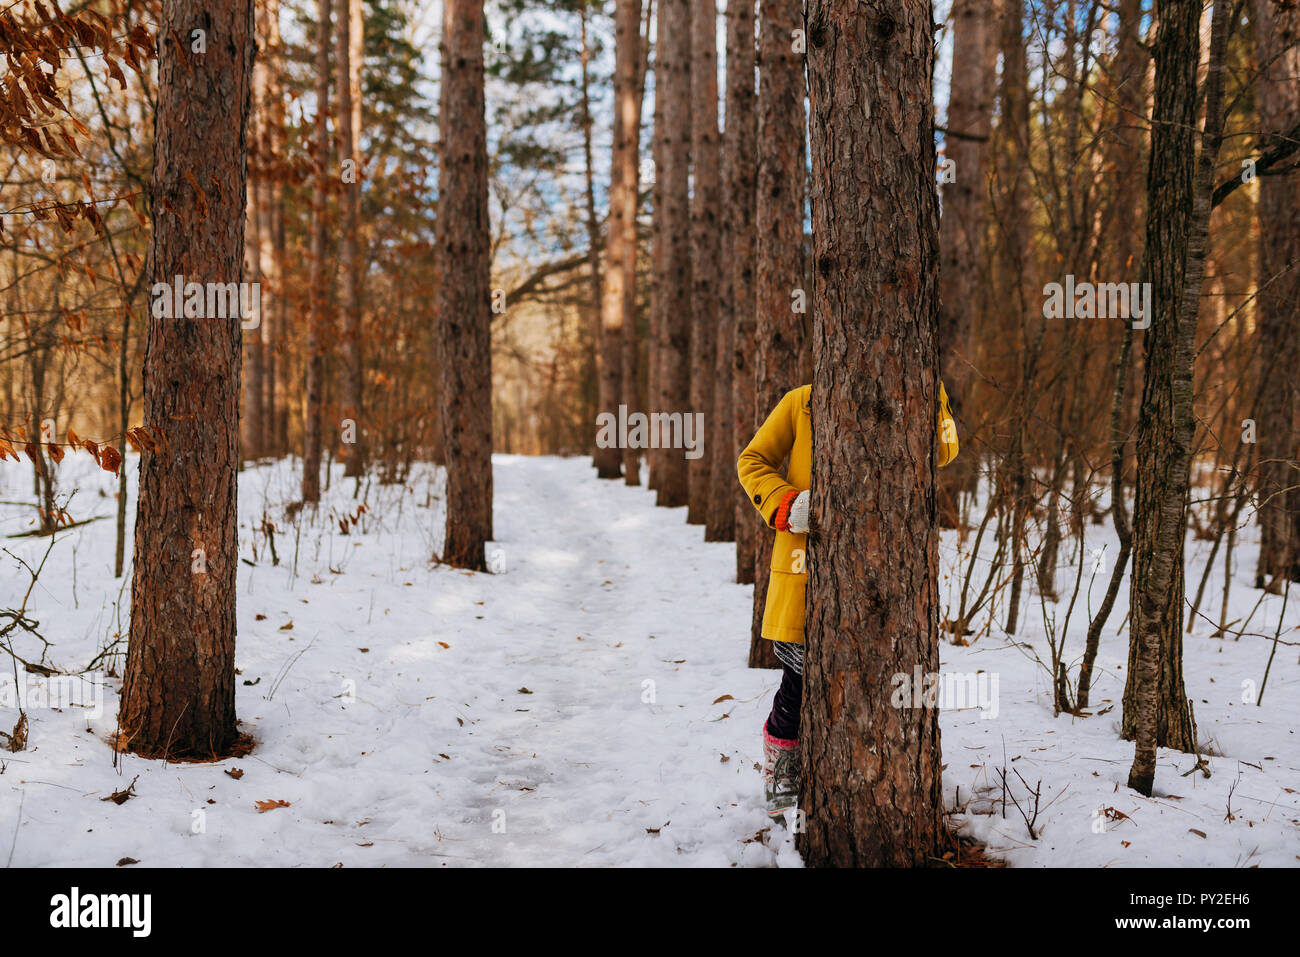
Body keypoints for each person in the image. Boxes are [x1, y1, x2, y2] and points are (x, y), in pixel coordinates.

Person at [736, 381, 960, 816]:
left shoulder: (921, 384)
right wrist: (785, 503)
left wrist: (928, 394)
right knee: (800, 682)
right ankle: (782, 771)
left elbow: (947, 448)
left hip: (891, 572)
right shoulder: (801, 402)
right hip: (808, 568)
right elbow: (753, 460)